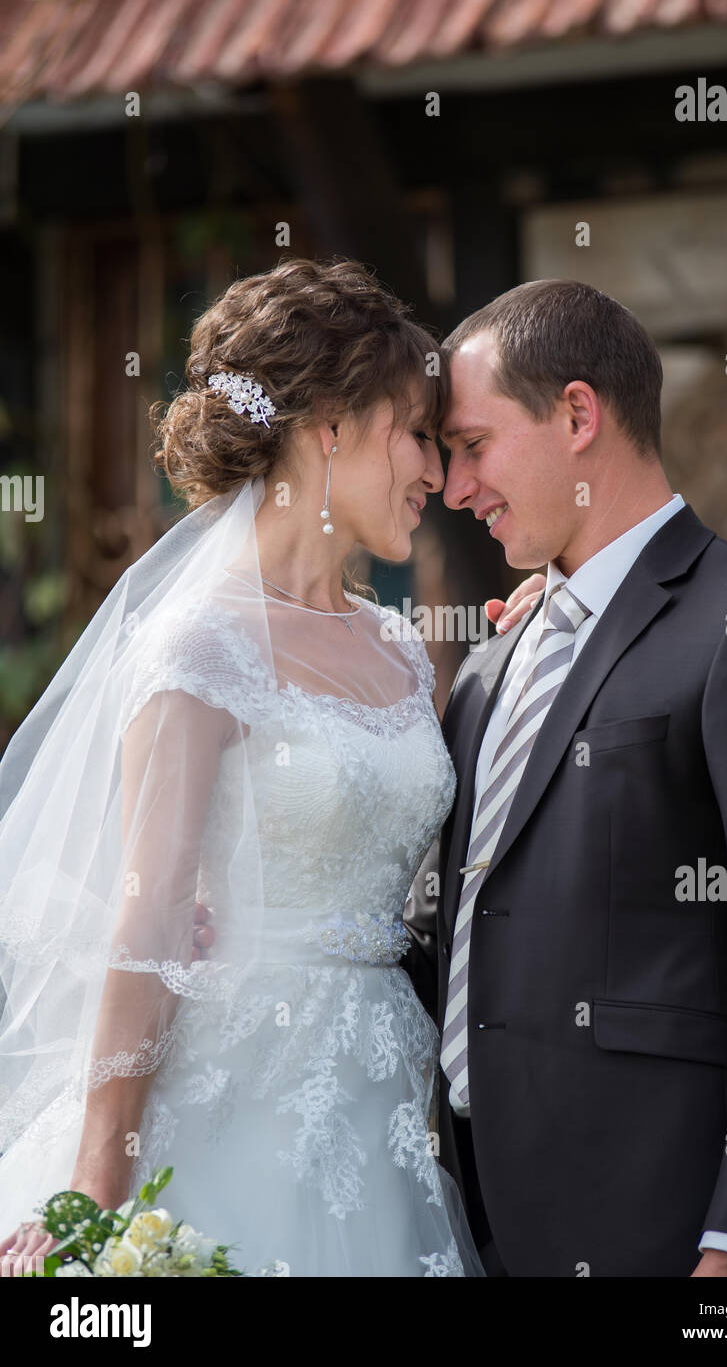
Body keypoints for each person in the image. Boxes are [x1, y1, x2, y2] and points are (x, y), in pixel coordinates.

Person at [0, 258, 540, 1278]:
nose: (436, 471)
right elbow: (149, 912)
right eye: (415, 432)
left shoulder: (393, 645)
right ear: (329, 429)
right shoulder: (198, 649)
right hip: (233, 1089)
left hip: (389, 1093)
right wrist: (96, 1183)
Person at [403, 279, 727, 1278]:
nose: (453, 487)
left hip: (658, 1222)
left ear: (577, 413)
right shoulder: (492, 658)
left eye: (474, 444)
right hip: (464, 1222)